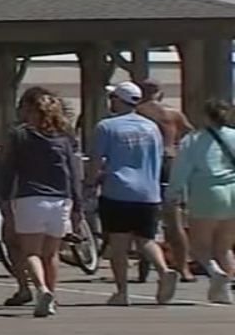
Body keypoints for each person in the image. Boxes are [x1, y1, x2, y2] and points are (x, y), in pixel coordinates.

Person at [0, 87, 84, 317]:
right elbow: (73, 173)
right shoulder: (64, 139)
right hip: (60, 200)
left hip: (30, 198)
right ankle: (52, 296)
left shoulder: (20, 135)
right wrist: (78, 205)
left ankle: (40, 288)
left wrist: (4, 198)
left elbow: (8, 169)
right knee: (51, 253)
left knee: (31, 252)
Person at [90, 81, 176, 306]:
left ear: (118, 100)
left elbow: (96, 160)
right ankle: (164, 270)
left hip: (118, 190)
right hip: (149, 191)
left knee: (119, 243)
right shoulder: (151, 127)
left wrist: (90, 183)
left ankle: (122, 292)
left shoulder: (107, 126)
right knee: (145, 239)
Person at [166, 99, 235, 303]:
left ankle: (215, 273)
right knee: (224, 245)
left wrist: (172, 193)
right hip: (233, 190)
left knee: (199, 245)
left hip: (207, 191)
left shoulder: (193, 140)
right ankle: (224, 290)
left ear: (205, 116)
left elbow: (181, 170)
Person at [137, 78, 195, 280]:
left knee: (144, 218)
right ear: (160, 93)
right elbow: (190, 133)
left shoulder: (138, 113)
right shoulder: (173, 113)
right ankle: (183, 268)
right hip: (170, 162)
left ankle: (145, 267)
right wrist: (175, 144)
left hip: (147, 165)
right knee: (175, 220)